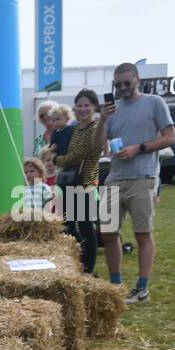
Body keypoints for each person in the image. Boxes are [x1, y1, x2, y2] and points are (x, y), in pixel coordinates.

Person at [94, 62, 175, 303]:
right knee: (108, 233)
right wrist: (102, 120)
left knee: (142, 234)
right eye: (118, 84)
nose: (122, 88)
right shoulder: (112, 110)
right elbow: (100, 146)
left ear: (137, 80)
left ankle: (142, 289)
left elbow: (170, 137)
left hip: (143, 177)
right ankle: (116, 285)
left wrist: (139, 148)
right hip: (114, 179)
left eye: (127, 83)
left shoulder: (154, 102)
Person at [45, 89, 104, 273]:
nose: (83, 109)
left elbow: (74, 157)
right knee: (69, 224)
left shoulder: (94, 129)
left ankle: (89, 268)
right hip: (70, 181)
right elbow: (62, 151)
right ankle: (81, 261)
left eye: (87, 105)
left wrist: (54, 159)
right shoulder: (75, 129)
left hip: (85, 183)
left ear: (94, 107)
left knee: (86, 226)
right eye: (79, 105)